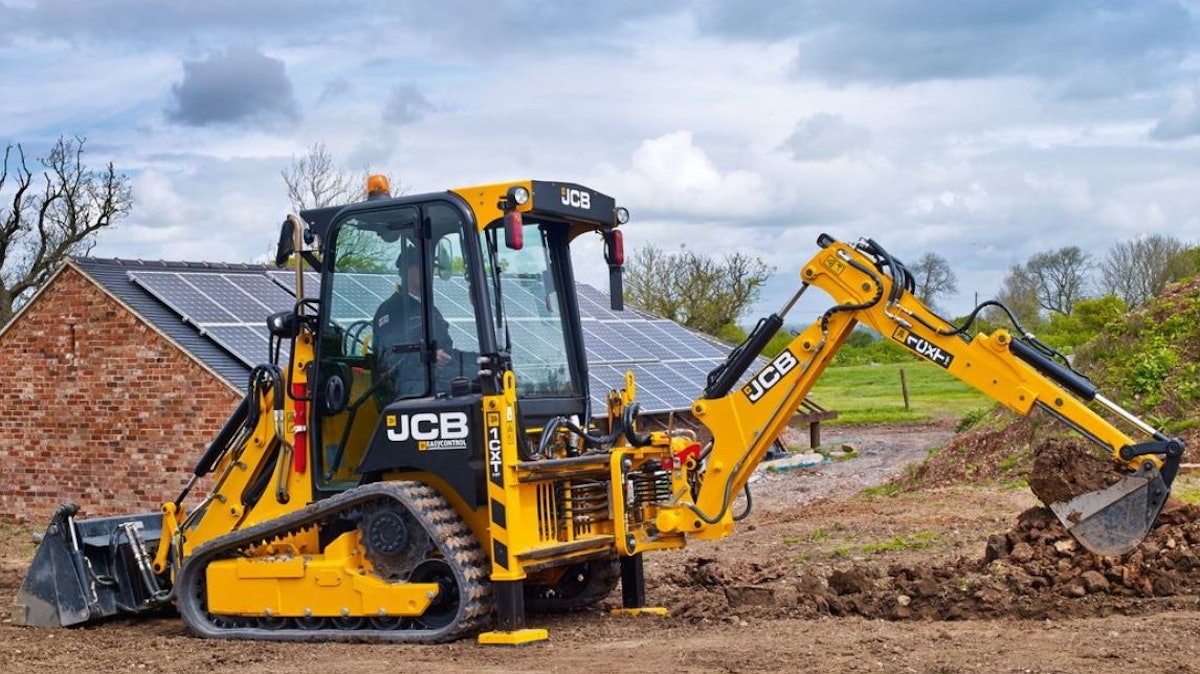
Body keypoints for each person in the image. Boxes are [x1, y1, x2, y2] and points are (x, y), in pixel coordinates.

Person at [373, 254, 453, 399]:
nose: (429, 273)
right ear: (406, 271)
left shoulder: (431, 309)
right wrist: (429, 356)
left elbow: (446, 343)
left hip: (437, 382)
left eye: (431, 268)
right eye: (424, 267)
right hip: (407, 392)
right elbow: (389, 360)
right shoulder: (390, 311)